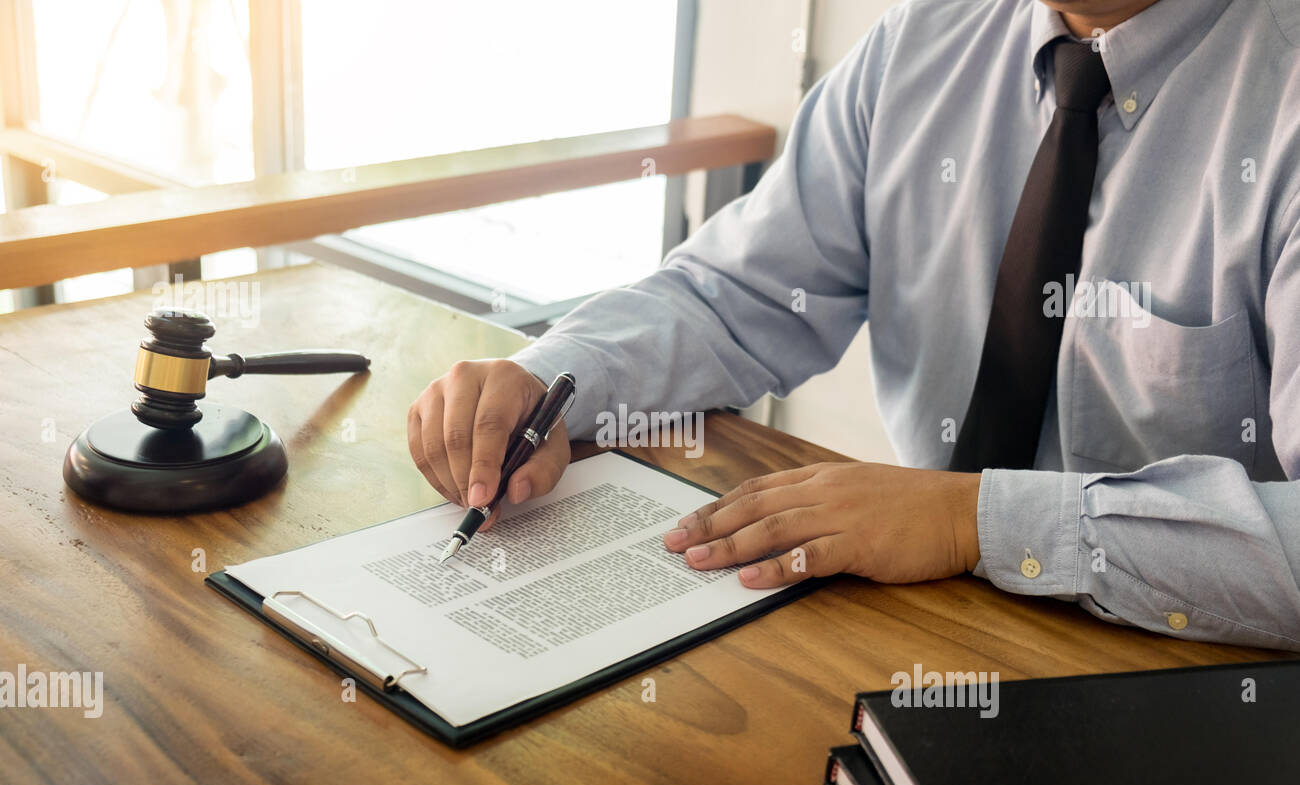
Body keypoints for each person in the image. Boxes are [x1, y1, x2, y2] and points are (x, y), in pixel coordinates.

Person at [408, 0, 1300, 650]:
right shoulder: (921, 42)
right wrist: (558, 379)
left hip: (1194, 671)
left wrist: (976, 522)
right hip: (916, 623)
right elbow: (738, 293)